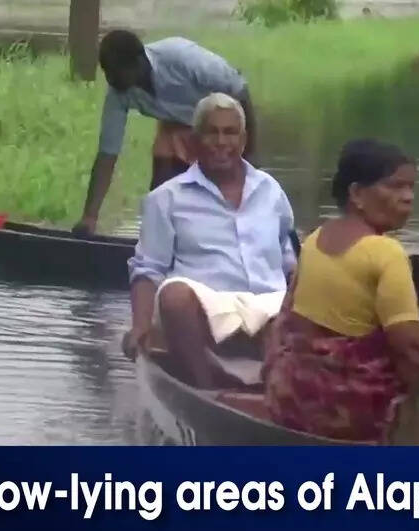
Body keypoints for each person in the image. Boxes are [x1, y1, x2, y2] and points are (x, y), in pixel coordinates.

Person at [123, 93, 296, 389]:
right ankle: (204, 389)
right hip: (209, 303)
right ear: (194, 141)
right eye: (211, 132)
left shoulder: (270, 190)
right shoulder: (166, 199)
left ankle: (276, 394)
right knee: (174, 295)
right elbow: (148, 268)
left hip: (269, 304)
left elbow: (289, 257)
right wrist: (140, 325)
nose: (220, 142)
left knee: (302, 303)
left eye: (229, 133)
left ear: (243, 141)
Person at [262, 140, 419, 443]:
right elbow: (409, 351)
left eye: (411, 188)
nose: (408, 198)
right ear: (357, 194)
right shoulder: (386, 253)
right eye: (395, 187)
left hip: (292, 400)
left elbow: (288, 318)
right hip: (351, 415)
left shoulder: (314, 239)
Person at [73, 30, 257, 236]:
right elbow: (107, 153)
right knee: (161, 201)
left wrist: (246, 156)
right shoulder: (118, 91)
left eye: (116, 72)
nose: (110, 79)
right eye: (107, 72)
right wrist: (89, 217)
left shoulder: (181, 58)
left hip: (216, 125)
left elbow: (239, 90)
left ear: (139, 61)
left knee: (223, 196)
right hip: (175, 129)